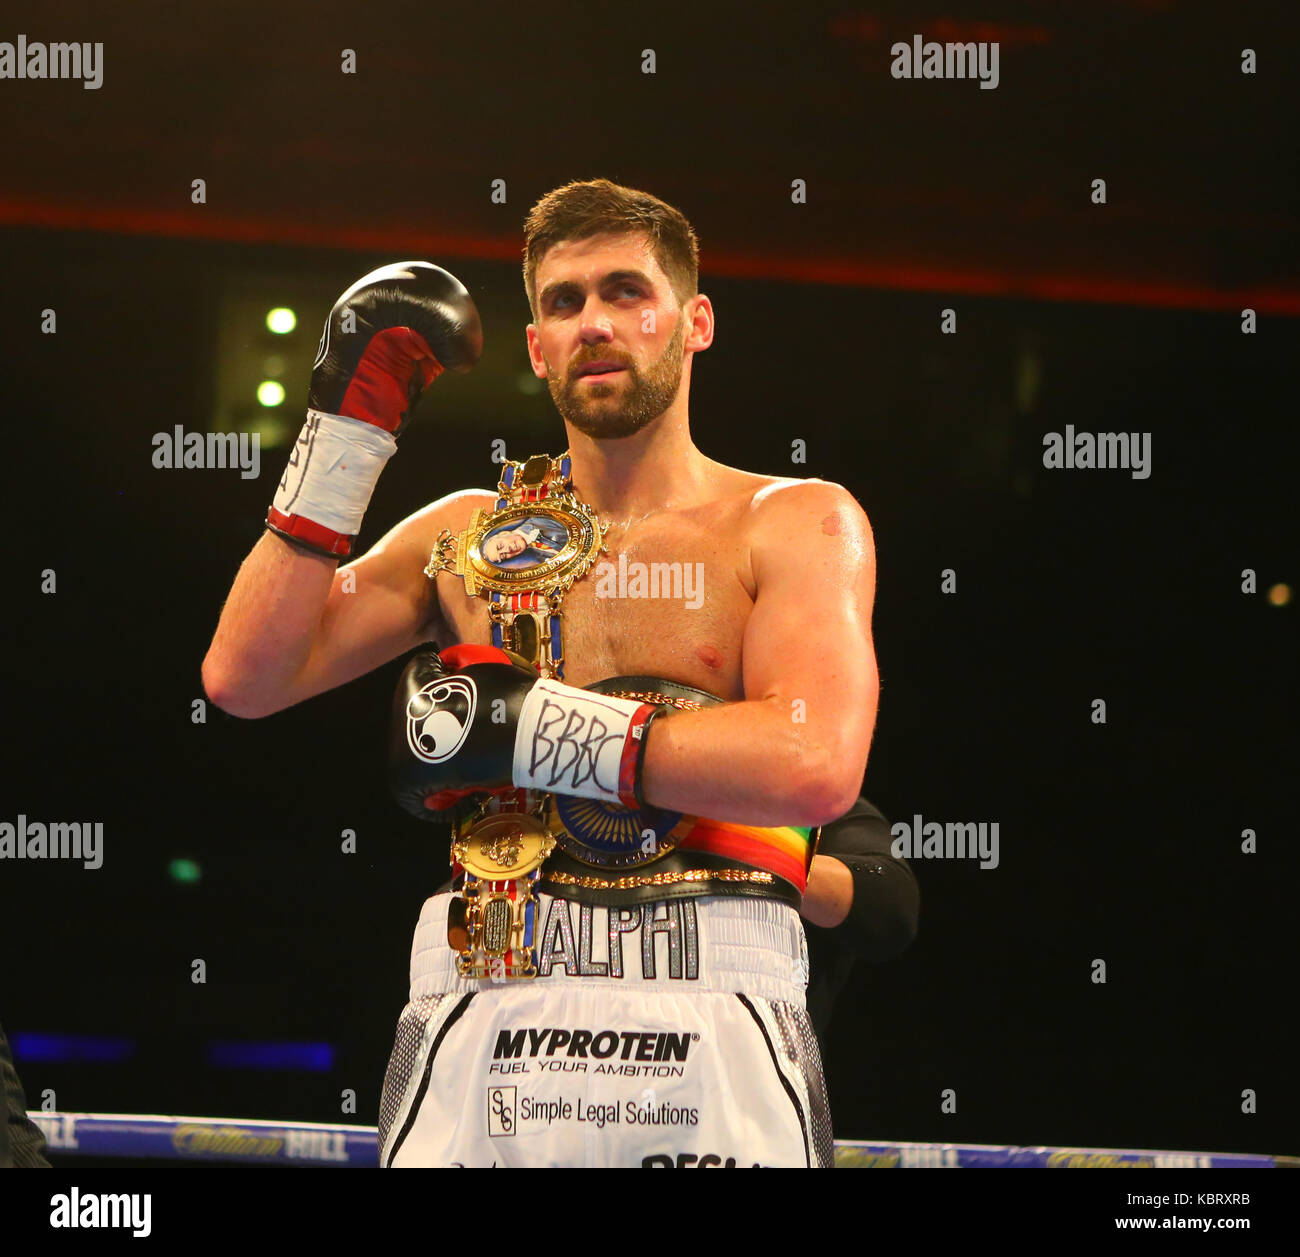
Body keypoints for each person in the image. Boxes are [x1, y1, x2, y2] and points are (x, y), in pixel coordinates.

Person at [202, 179, 879, 1167]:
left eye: (624, 292)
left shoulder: (792, 521)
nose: (594, 323)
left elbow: (813, 760)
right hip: (492, 982)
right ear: (535, 346)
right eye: (563, 303)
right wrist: (342, 437)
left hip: (713, 985)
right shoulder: (464, 534)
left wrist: (534, 733)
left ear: (693, 321)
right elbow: (244, 676)